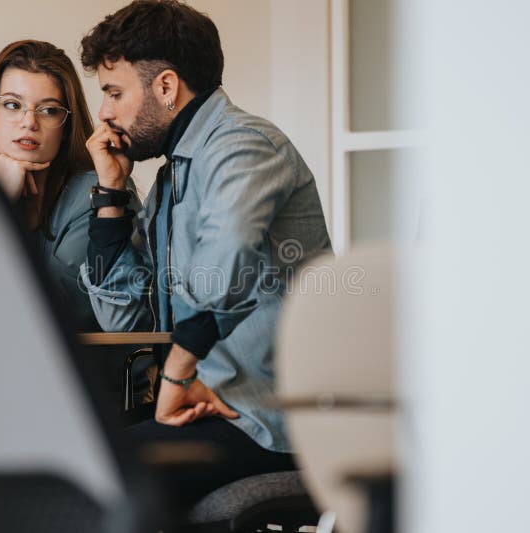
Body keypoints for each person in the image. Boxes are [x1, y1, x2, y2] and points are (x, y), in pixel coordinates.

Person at [78, 0, 332, 509]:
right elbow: (126, 319)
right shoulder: (175, 172)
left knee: (92, 481)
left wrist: (177, 371)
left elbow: (229, 252)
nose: (104, 112)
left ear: (166, 87)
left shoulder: (245, 146)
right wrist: (111, 195)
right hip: (207, 410)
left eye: (113, 92)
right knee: (68, 464)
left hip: (265, 420)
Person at [0, 39, 139, 330]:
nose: (29, 122)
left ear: (66, 128)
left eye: (49, 110)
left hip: (93, 371)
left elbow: (42, 316)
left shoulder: (101, 189)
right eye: (12, 105)